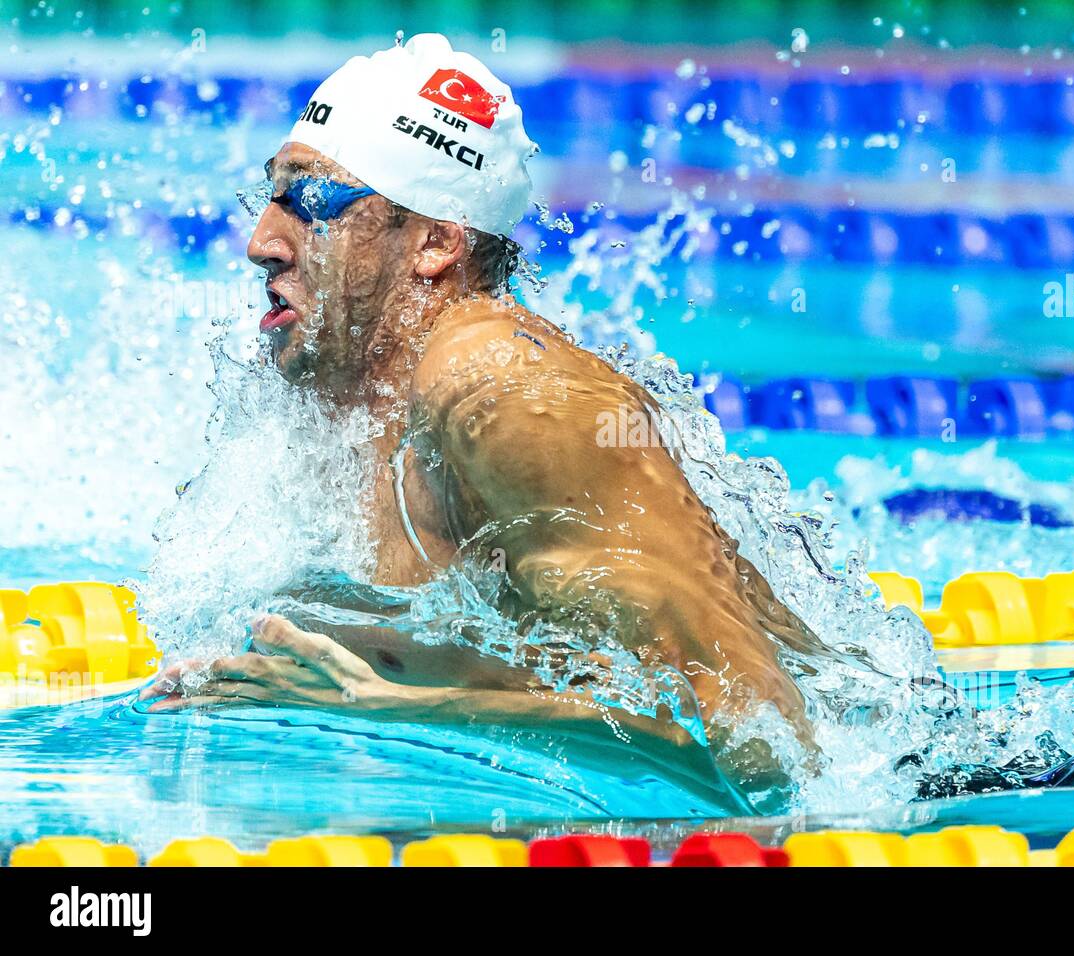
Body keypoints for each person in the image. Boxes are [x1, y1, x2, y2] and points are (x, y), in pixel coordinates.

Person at [140, 33, 823, 808]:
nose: (261, 243)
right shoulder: (355, 395)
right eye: (268, 196)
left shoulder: (505, 394)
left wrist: (385, 706)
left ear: (434, 242)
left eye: (315, 200)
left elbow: (762, 741)